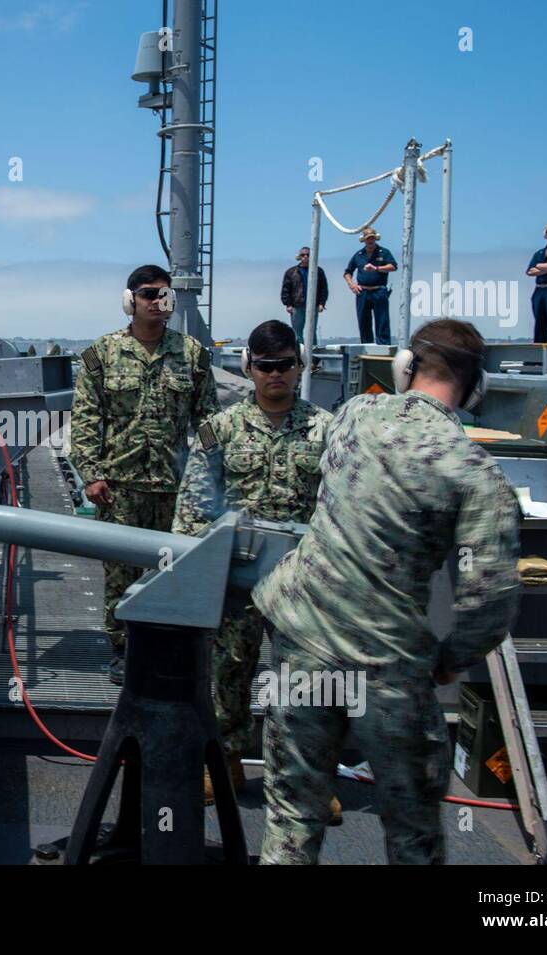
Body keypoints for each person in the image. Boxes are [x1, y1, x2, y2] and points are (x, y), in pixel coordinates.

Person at [253, 319, 521, 864]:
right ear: (477, 388)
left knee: (292, 812)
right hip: (389, 664)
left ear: (405, 368)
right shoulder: (476, 473)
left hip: (300, 635)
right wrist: (451, 659)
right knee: (412, 829)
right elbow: (489, 600)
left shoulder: (353, 415)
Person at [172, 319, 341, 824]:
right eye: (265, 366)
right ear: (249, 367)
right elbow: (193, 507)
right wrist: (192, 574)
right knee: (228, 673)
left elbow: (344, 506)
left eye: (284, 365)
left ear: (300, 366)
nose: (275, 375)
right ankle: (223, 764)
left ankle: (305, 780)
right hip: (236, 579)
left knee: (306, 682)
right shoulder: (220, 430)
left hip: (302, 581)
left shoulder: (327, 431)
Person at [68, 264, 220, 685]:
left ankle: (171, 650)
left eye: (165, 294)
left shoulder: (191, 355)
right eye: (150, 294)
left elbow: (207, 422)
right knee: (121, 574)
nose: (159, 301)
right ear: (129, 300)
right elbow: (85, 421)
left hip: (175, 490)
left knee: (176, 574)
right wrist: (92, 475)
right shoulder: (102, 355)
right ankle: (123, 650)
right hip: (119, 488)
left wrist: (210, 477)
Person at [343, 227, 398, 345]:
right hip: (362, 292)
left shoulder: (384, 252)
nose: (370, 241)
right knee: (364, 322)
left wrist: (376, 268)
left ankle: (383, 347)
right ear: (364, 240)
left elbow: (393, 266)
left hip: (379, 291)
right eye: (368, 239)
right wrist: (352, 285)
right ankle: (366, 346)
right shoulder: (358, 255)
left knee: (382, 321)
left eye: (372, 238)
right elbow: (348, 272)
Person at [280, 247, 328, 345]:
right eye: (303, 255)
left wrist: (322, 303)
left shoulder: (318, 271)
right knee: (297, 332)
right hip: (297, 306)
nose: (305, 257)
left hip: (313, 306)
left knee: (312, 331)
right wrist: (288, 304)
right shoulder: (291, 272)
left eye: (308, 255)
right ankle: (300, 355)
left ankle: (313, 355)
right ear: (299, 257)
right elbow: (286, 290)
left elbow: (324, 289)